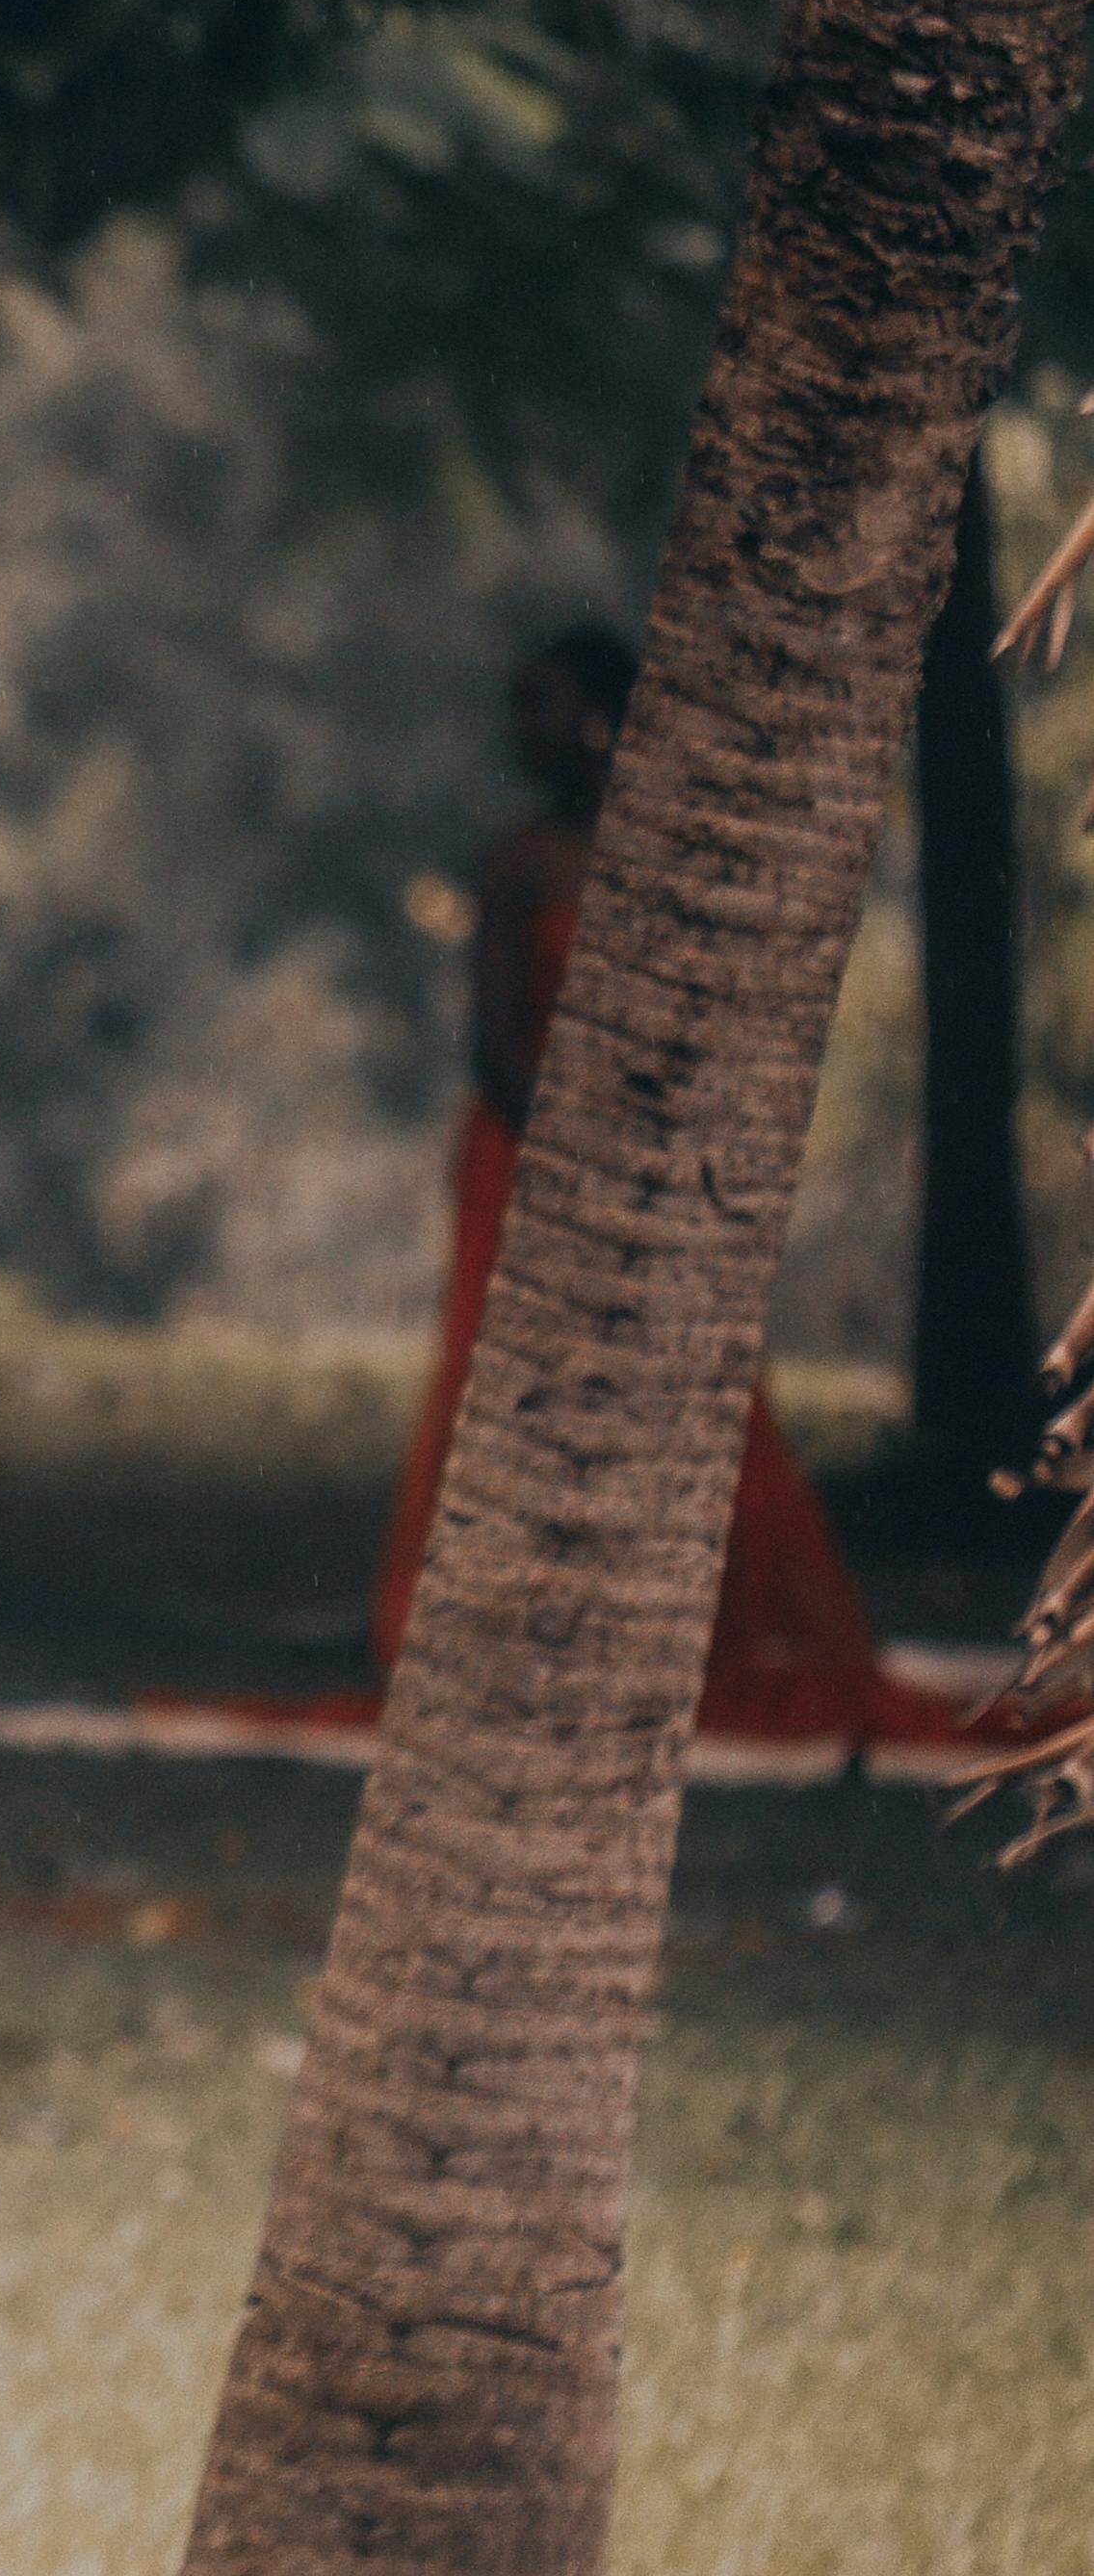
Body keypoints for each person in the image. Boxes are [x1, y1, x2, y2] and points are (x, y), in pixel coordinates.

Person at [366, 622, 958, 1769]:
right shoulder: (514, 864)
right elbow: (491, 1047)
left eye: (540, 702)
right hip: (524, 1161)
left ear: (600, 716)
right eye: (516, 705)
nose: (519, 729)